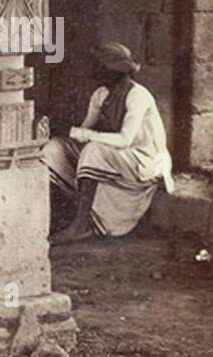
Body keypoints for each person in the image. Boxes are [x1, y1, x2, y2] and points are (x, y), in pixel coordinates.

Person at [42, 42, 173, 243]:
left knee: (94, 150)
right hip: (119, 158)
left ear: (114, 72)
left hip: (143, 160)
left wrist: (83, 134)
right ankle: (67, 214)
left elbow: (124, 139)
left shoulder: (138, 95)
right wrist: (59, 131)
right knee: (54, 148)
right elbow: (83, 131)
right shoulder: (101, 94)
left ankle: (81, 225)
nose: (94, 74)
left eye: (99, 69)